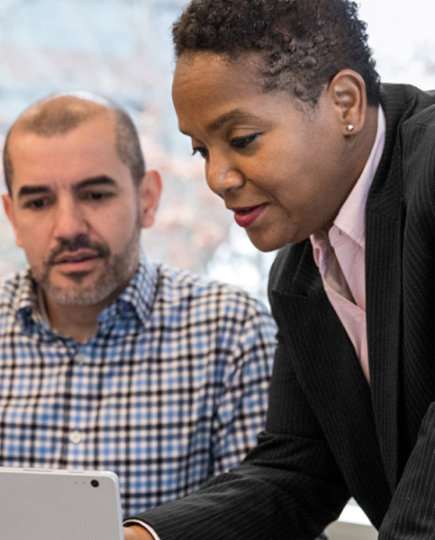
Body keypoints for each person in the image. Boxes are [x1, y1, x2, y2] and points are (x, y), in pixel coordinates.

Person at [124, 0, 435, 539]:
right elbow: (298, 471)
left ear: (345, 103)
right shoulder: (299, 273)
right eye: (202, 151)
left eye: (242, 140)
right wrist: (143, 537)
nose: (217, 178)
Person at [0, 92, 277, 518]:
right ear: (12, 217)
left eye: (94, 195)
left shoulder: (234, 334)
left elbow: (264, 524)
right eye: (38, 203)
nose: (69, 227)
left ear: (147, 199)